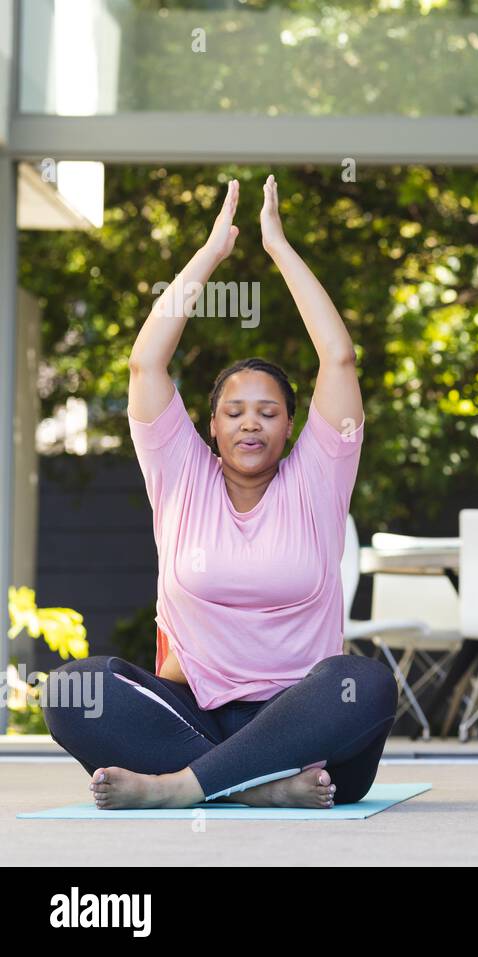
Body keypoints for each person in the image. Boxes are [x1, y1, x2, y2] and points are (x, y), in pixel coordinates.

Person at [43, 176, 398, 810]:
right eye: (234, 412)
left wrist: (280, 249)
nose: (251, 423)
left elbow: (338, 360)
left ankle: (186, 787)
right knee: (74, 688)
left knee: (364, 683)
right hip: (195, 719)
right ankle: (259, 787)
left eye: (268, 412)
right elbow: (146, 364)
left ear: (294, 426)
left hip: (306, 728)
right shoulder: (180, 473)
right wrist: (211, 253)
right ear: (210, 427)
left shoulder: (319, 476)